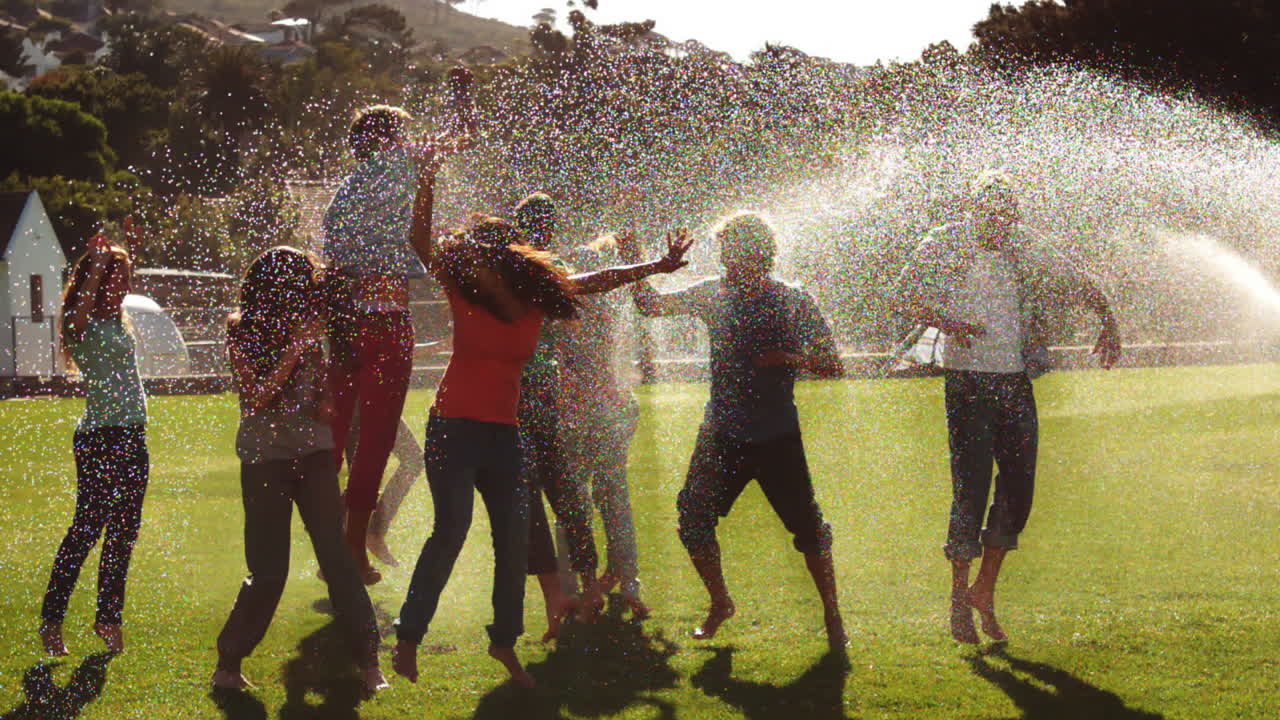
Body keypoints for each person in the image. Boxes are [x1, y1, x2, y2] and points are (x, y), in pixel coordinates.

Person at [391, 168, 693, 688]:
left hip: (503, 433)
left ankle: (503, 644)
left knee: (513, 543)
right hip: (455, 429)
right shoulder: (466, 292)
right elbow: (420, 239)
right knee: (451, 531)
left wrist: (658, 266)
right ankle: (408, 639)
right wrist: (425, 181)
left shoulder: (536, 298)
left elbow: (597, 281)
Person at [892, 170, 1122, 644]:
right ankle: (959, 598)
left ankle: (984, 591)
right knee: (970, 491)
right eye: (988, 213)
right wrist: (947, 321)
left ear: (1013, 216)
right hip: (968, 383)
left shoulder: (1027, 245)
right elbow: (903, 296)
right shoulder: (944, 241)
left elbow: (1075, 281)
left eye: (1005, 215)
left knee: (1018, 494)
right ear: (973, 210)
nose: (997, 224)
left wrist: (1108, 317)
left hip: (1015, 382)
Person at [627, 212, 849, 651]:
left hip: (777, 437)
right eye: (723, 249)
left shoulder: (792, 299)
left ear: (758, 252)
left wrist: (787, 359)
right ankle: (721, 603)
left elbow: (833, 365)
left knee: (809, 530)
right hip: (722, 433)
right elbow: (650, 305)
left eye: (731, 249)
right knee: (692, 518)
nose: (725, 257)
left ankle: (832, 614)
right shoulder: (713, 293)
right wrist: (640, 262)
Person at [211, 247, 387, 693]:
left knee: (339, 558)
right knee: (270, 570)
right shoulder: (242, 332)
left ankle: (370, 664)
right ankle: (228, 665)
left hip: (313, 456)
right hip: (265, 460)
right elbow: (254, 399)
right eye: (304, 283)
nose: (310, 291)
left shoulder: (311, 327)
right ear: (278, 289)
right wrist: (294, 350)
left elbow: (323, 395)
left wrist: (327, 400)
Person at [323, 71, 476, 583]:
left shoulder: (343, 193)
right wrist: (460, 95)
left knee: (337, 435)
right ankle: (352, 547)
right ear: (390, 140)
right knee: (376, 440)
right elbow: (462, 135)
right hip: (385, 321)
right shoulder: (400, 166)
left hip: (341, 323)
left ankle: (332, 544)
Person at [40, 237, 149, 656]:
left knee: (123, 534)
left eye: (125, 279)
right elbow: (77, 318)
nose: (121, 287)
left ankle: (108, 619)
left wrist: (114, 262)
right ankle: (52, 621)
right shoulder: (78, 320)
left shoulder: (121, 321)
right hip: (99, 437)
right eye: (113, 280)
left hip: (133, 434)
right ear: (94, 282)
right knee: (86, 530)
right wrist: (98, 263)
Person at [559, 229, 650, 619]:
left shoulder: (567, 315)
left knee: (576, 503)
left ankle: (588, 586)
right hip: (613, 409)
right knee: (614, 500)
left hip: (579, 415)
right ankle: (626, 583)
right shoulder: (605, 313)